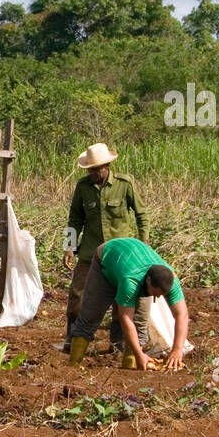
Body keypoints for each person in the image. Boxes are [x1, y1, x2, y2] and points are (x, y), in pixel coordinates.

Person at [63, 142, 149, 353]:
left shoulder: (124, 184)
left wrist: (143, 246)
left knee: (123, 299)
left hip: (121, 255)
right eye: (90, 169)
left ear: (107, 166)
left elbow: (142, 215)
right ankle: (73, 340)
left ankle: (118, 344)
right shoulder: (83, 187)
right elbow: (74, 218)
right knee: (77, 296)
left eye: (96, 169)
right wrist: (69, 247)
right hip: (90, 253)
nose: (93, 173)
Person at [68, 237, 190, 371]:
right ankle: (73, 365)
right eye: (155, 293)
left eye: (161, 295)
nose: (157, 297)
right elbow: (126, 319)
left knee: (140, 322)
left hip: (131, 261)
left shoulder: (171, 280)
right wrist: (139, 354)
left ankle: (131, 367)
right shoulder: (130, 281)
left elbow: (182, 315)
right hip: (107, 260)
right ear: (148, 281)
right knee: (91, 316)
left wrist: (178, 349)